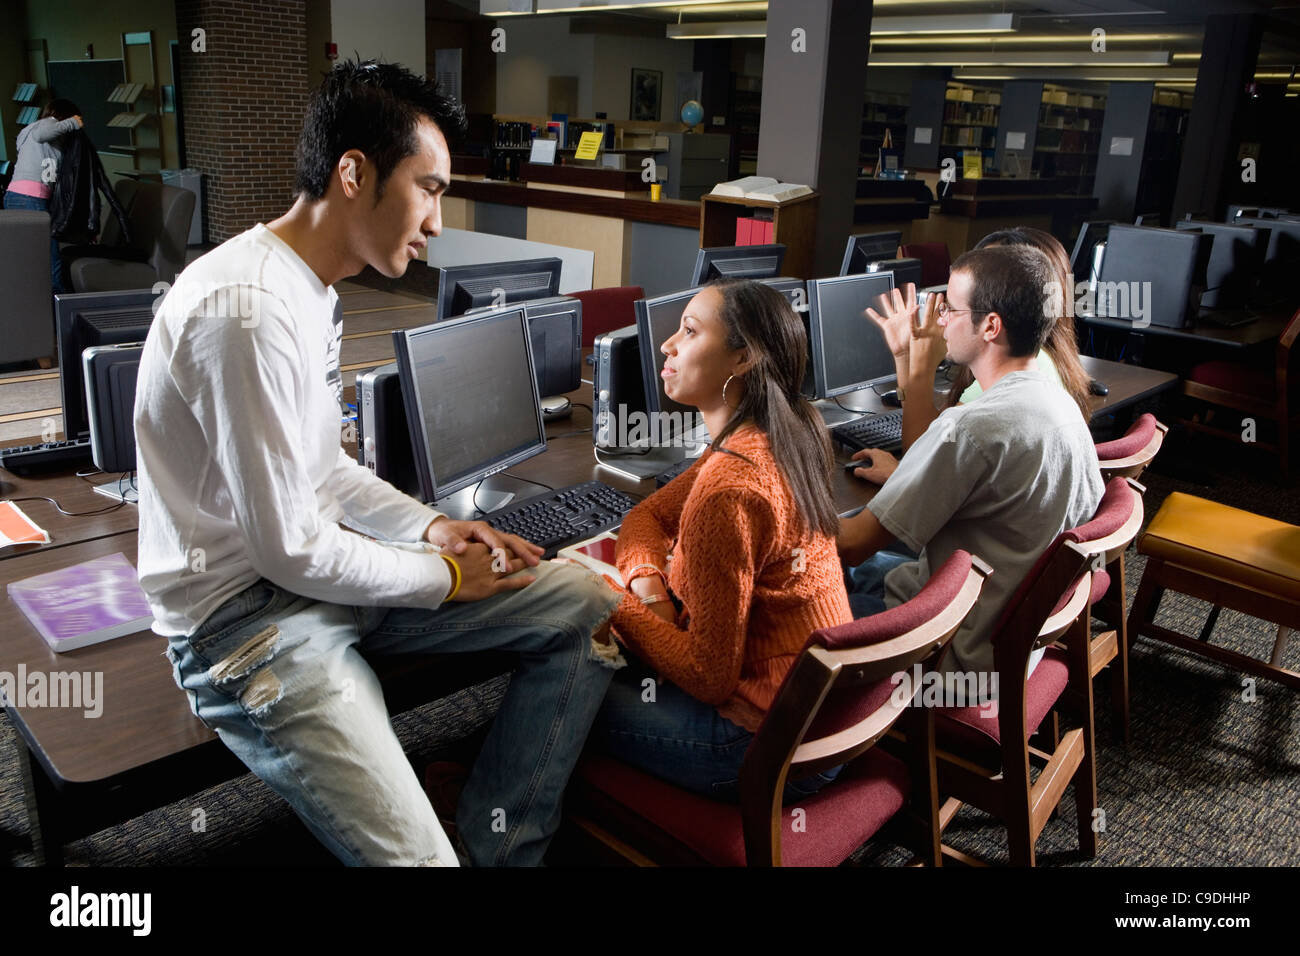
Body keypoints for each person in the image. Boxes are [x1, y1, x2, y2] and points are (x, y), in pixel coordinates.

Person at [133, 59, 621, 868]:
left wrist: (432, 529)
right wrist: (445, 578)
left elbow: (323, 471)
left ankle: (499, 844)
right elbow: (288, 546)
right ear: (353, 173)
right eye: (429, 189)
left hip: (325, 576)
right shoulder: (245, 310)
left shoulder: (310, 291)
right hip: (246, 625)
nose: (437, 220)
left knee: (586, 603)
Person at [591, 279, 852, 799]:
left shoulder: (730, 486)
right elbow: (646, 517)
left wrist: (606, 599)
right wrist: (648, 588)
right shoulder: (778, 429)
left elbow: (708, 676)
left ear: (742, 359)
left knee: (561, 688)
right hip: (822, 710)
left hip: (769, 745)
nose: (666, 345)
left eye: (689, 331)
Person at [838, 244, 1103, 678]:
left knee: (782, 601)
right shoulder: (1061, 402)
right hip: (1006, 642)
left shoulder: (970, 428)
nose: (940, 320)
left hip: (949, 653)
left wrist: (776, 495)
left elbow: (852, 545)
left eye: (951, 310)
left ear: (990, 326)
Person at [866, 227, 1091, 453]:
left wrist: (921, 371)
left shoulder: (1007, 378)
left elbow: (924, 454)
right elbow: (941, 444)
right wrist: (906, 357)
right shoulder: (1039, 361)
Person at [2, 99, 82, 293]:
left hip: (13, 195)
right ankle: (57, 305)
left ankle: (30, 298)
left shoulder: (27, 130)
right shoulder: (48, 125)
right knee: (49, 255)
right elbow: (42, 134)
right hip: (32, 197)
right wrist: (75, 122)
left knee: (26, 253)